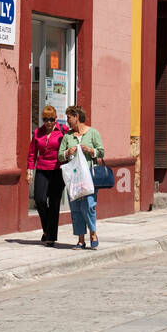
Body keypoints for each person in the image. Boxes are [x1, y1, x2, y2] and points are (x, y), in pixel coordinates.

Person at [58, 105, 104, 249]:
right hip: (74, 177)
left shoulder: (93, 133)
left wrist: (90, 150)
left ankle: (93, 233)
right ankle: (80, 239)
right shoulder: (68, 136)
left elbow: (101, 152)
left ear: (76, 117)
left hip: (89, 175)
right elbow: (60, 156)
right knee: (76, 208)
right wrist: (67, 153)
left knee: (89, 205)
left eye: (69, 118)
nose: (67, 121)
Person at [27, 105, 67, 246]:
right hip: (42, 170)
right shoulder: (38, 133)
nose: (48, 122)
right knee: (40, 200)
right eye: (45, 119)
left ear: (56, 118)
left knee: (54, 203)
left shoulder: (63, 130)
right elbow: (32, 153)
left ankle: (50, 237)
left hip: (58, 170)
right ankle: (46, 230)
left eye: (51, 119)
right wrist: (30, 171)